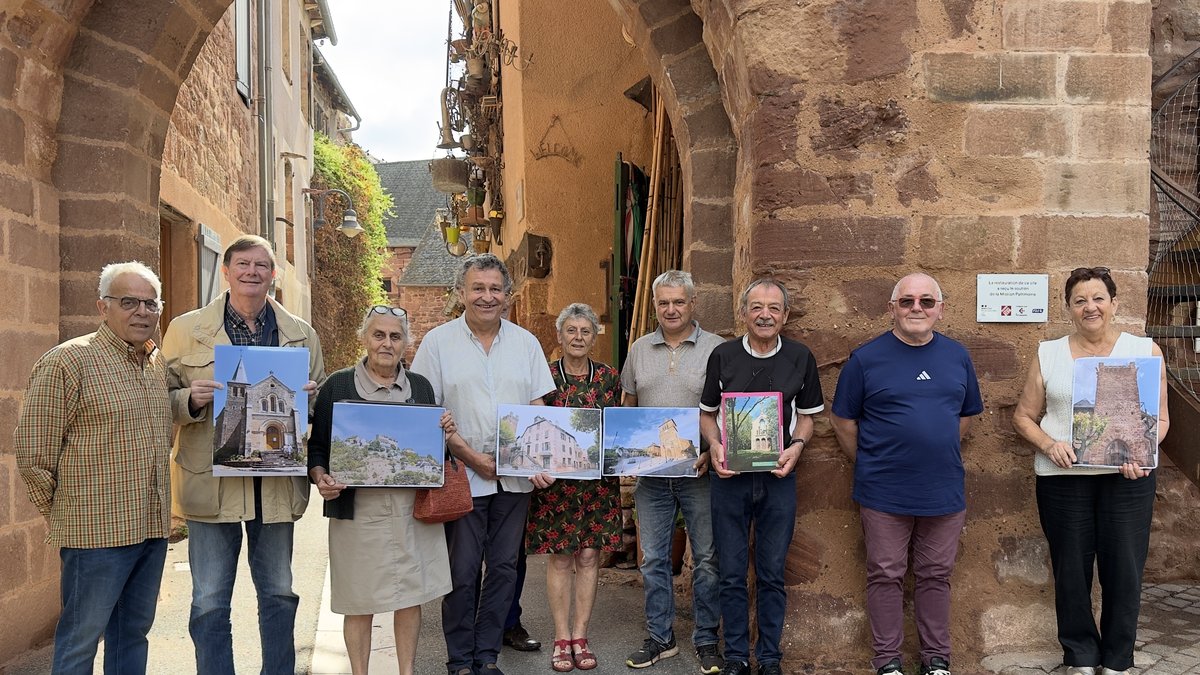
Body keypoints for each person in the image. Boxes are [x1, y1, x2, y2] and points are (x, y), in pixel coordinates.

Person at [162, 234, 326, 675]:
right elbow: (158, 398)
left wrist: (309, 401)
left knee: (278, 593)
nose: (252, 272)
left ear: (274, 274)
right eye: (243, 264)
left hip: (274, 487)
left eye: (262, 265)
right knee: (209, 600)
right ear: (226, 270)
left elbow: (316, 412)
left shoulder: (301, 335)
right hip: (209, 485)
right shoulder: (184, 329)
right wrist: (189, 402)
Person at [14, 261, 173, 674]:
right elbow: (34, 455)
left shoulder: (156, 364)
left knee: (132, 636)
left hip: (151, 530)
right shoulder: (68, 362)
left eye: (150, 303)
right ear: (103, 307)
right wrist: (68, 516)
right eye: (128, 302)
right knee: (79, 643)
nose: (142, 311)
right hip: (95, 537)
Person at [1012, 267, 1169, 675]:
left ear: (1115, 304)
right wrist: (1049, 444)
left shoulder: (1146, 351)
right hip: (1062, 479)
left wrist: (1143, 452)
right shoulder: (1049, 353)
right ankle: (1080, 655)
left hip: (1127, 479)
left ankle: (1118, 659)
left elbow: (1162, 418)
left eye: (1098, 298)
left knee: (1125, 570)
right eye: (1080, 300)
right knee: (1070, 570)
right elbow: (1024, 417)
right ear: (1069, 308)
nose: (1090, 307)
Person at [830, 273, 982, 675]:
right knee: (885, 574)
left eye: (927, 302)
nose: (917, 308)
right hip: (883, 491)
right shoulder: (866, 359)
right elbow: (843, 422)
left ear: (940, 309)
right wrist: (871, 462)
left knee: (936, 575)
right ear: (892, 308)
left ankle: (936, 659)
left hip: (943, 490)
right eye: (908, 301)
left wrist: (934, 446)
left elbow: (966, 416)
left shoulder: (957, 356)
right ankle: (888, 661)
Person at [412, 253, 556, 675]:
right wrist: (473, 457)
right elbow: (429, 412)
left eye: (495, 289)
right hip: (461, 478)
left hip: (515, 481)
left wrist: (533, 458)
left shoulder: (526, 343)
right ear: (461, 293)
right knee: (461, 569)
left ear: (507, 295)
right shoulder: (437, 343)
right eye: (478, 288)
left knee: (506, 568)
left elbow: (537, 408)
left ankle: (487, 656)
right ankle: (460, 659)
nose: (487, 297)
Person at [307, 305, 458, 674]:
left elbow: (432, 452)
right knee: (359, 601)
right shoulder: (338, 386)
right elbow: (317, 448)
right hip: (358, 514)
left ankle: (406, 670)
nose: (386, 343)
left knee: (410, 598)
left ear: (406, 343)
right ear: (365, 339)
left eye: (395, 336)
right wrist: (320, 476)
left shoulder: (420, 386)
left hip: (412, 512)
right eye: (379, 335)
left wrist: (445, 431)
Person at [699, 278, 824, 675]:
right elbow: (707, 413)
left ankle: (769, 658)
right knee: (732, 573)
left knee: (772, 573)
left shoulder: (801, 357)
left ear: (785, 315)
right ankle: (736, 657)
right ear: (743, 313)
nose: (765, 314)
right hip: (729, 478)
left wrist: (797, 448)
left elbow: (807, 418)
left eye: (773, 307)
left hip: (778, 477)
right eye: (756, 307)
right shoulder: (723, 355)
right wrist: (716, 446)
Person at [621, 270, 725, 674]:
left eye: (678, 302)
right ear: (655, 306)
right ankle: (660, 638)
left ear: (693, 304)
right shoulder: (639, 350)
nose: (671, 309)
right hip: (651, 476)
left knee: (708, 558)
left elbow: (726, 408)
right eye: (663, 302)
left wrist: (710, 451)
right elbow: (628, 405)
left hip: (699, 470)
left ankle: (706, 640)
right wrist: (623, 454)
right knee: (653, 560)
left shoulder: (717, 349)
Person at [526, 303, 623, 672]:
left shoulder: (609, 379)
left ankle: (581, 637)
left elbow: (616, 428)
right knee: (562, 557)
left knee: (588, 557)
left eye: (585, 331)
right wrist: (533, 467)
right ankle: (561, 638)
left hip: (597, 486)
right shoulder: (545, 378)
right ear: (560, 335)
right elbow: (529, 425)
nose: (578, 337)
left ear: (594, 336)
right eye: (571, 330)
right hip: (556, 487)